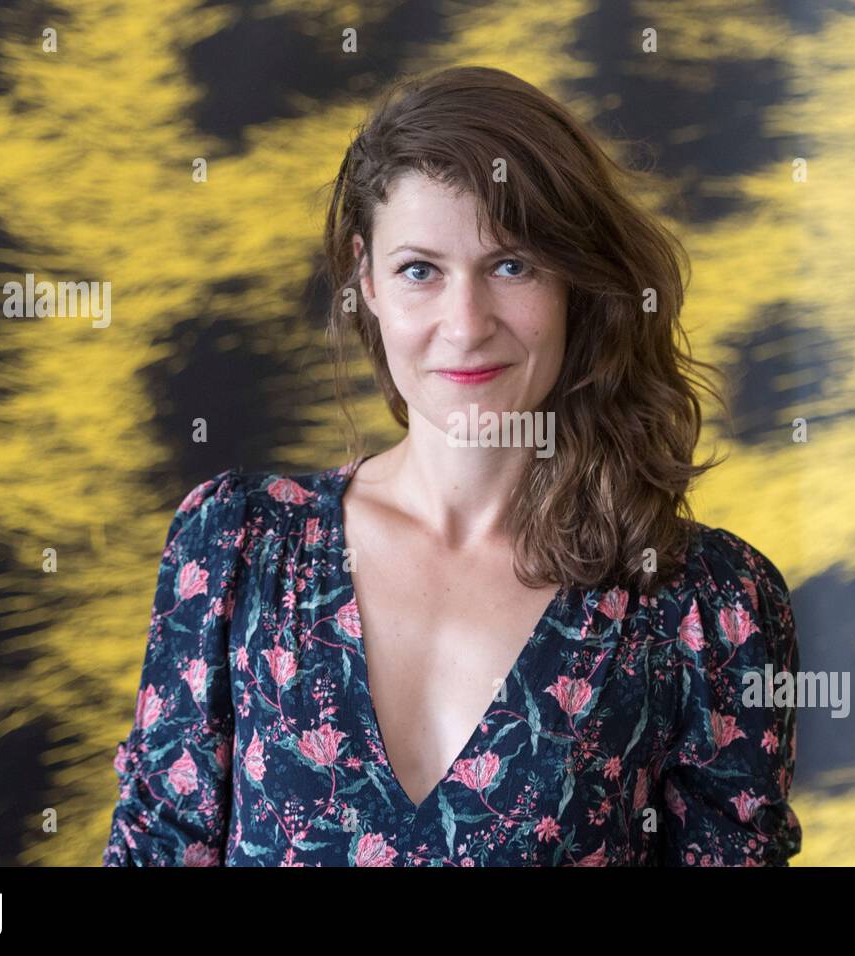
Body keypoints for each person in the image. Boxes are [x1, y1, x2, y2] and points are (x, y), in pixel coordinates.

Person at [103, 65, 802, 867]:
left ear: (577, 281)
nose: (465, 325)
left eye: (512, 265)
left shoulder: (705, 605)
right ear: (365, 280)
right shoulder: (235, 547)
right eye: (419, 270)